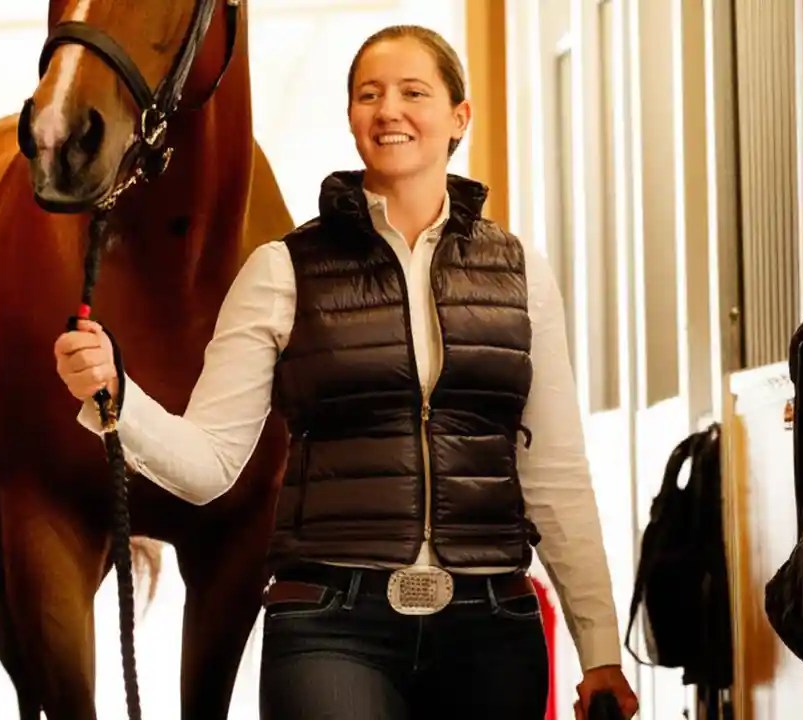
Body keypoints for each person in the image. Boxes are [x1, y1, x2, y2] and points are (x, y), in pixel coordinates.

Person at [54, 24, 639, 720]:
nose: (389, 109)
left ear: (459, 117)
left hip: (490, 624)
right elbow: (209, 463)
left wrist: (600, 649)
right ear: (352, 117)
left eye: (413, 92)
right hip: (332, 627)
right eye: (370, 94)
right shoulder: (282, 270)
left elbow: (557, 477)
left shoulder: (519, 275)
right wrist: (118, 398)